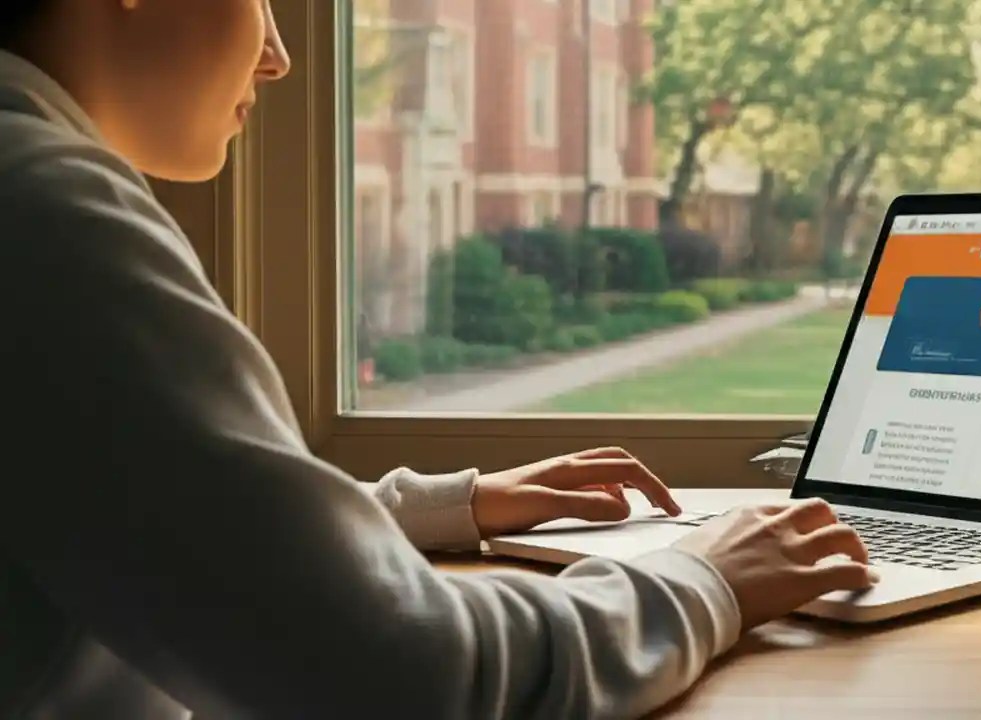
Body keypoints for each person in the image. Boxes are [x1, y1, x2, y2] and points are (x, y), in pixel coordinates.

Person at [0, 1, 878, 718]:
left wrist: (431, 509)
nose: (278, 57)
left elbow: (151, 520)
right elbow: (401, 675)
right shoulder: (44, 212)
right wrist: (703, 580)